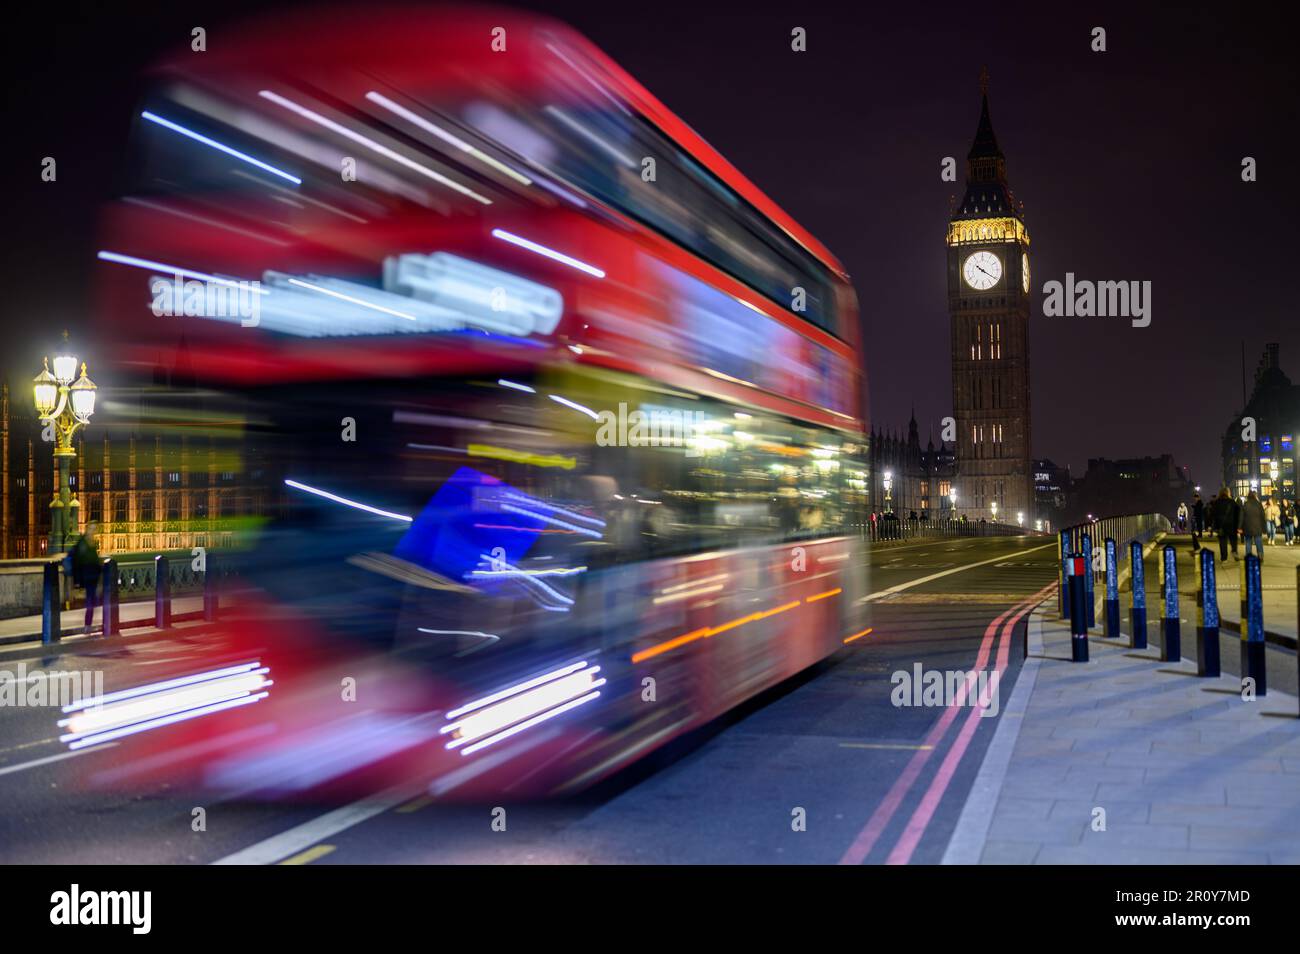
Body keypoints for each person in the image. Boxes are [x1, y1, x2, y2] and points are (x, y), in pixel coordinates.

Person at [70, 522, 102, 633]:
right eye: (92, 529)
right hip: (87, 577)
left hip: (93, 576)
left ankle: (89, 624)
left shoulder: (92, 542)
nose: (93, 531)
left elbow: (94, 560)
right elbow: (78, 562)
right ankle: (87, 625)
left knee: (93, 601)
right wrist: (77, 582)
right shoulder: (83, 543)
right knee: (90, 601)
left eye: (95, 529)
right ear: (87, 529)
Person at [1211, 488, 1240, 563]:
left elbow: (1213, 514)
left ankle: (1224, 558)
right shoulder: (1232, 502)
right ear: (1228, 493)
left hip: (1221, 525)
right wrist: (1238, 525)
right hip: (1232, 525)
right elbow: (1237, 513)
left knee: (1223, 542)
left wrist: (1215, 525)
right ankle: (1234, 551)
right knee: (1233, 539)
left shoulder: (1217, 502)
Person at [1239, 490, 1266, 563]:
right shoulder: (1259, 504)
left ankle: (1248, 556)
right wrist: (1264, 527)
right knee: (1258, 542)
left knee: (1248, 542)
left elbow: (1241, 517)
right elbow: (1263, 516)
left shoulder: (1245, 504)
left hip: (1247, 526)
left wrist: (1239, 527)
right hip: (1257, 526)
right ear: (1255, 496)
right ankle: (1260, 555)